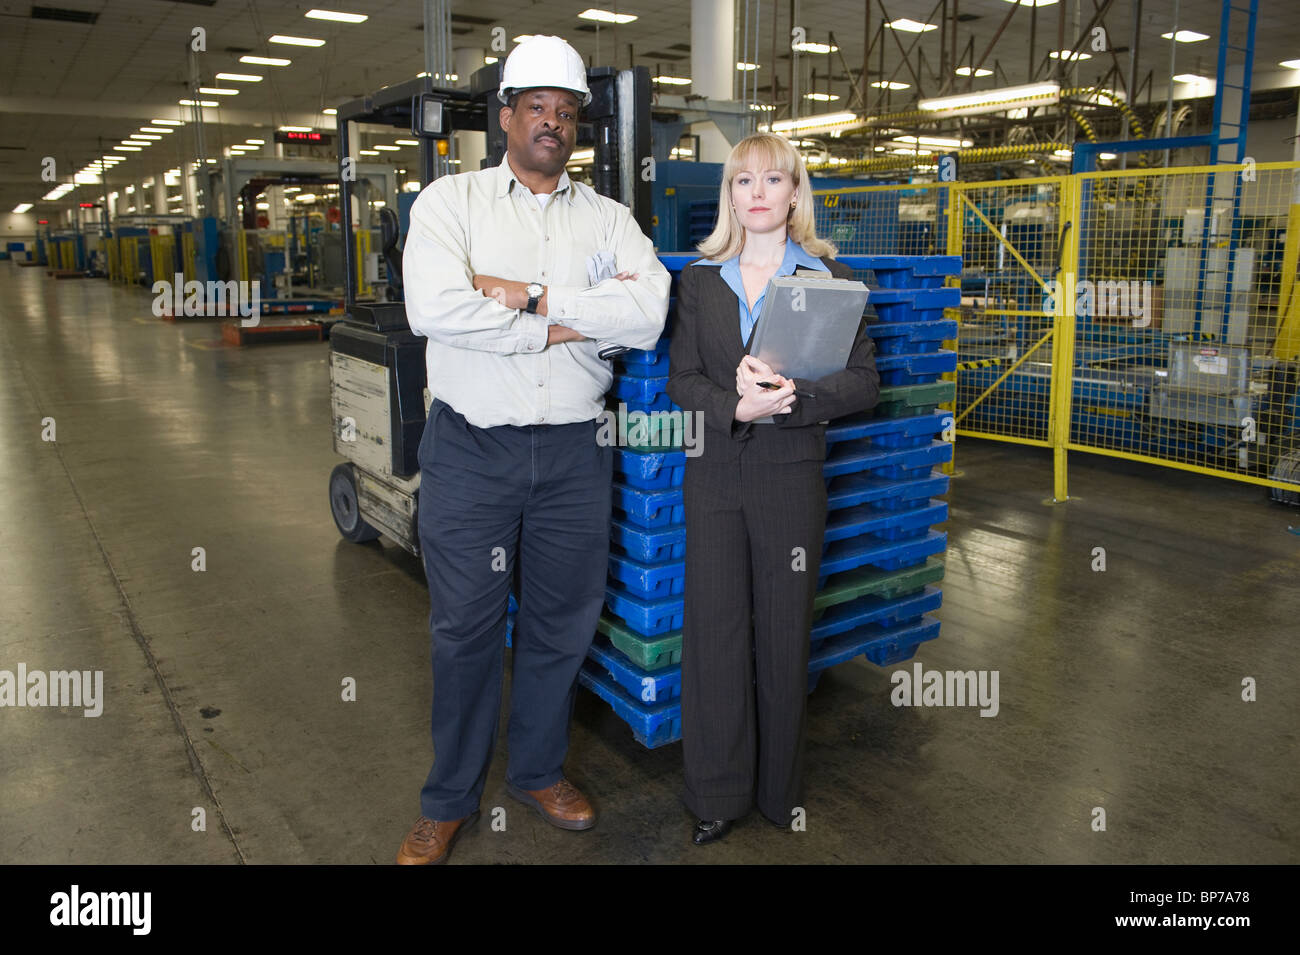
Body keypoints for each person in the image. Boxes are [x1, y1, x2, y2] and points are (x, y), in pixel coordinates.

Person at [396, 35, 670, 865]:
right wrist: (567, 324)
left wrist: (529, 297)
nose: (553, 121)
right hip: (473, 450)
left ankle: (538, 771)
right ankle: (447, 798)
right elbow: (434, 309)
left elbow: (650, 314)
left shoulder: (609, 219)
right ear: (507, 116)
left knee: (560, 624)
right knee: (465, 631)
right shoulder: (451, 205)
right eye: (537, 107)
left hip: (574, 457)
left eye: (567, 110)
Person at [666, 132, 879, 846]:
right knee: (716, 632)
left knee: (784, 633)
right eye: (742, 181)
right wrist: (733, 406)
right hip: (717, 476)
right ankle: (715, 793)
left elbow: (864, 382)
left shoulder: (830, 279)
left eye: (772, 180)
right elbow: (682, 379)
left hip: (790, 477)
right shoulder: (699, 281)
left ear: (795, 193)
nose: (756, 192)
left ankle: (779, 790)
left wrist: (796, 397)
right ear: (730, 196)